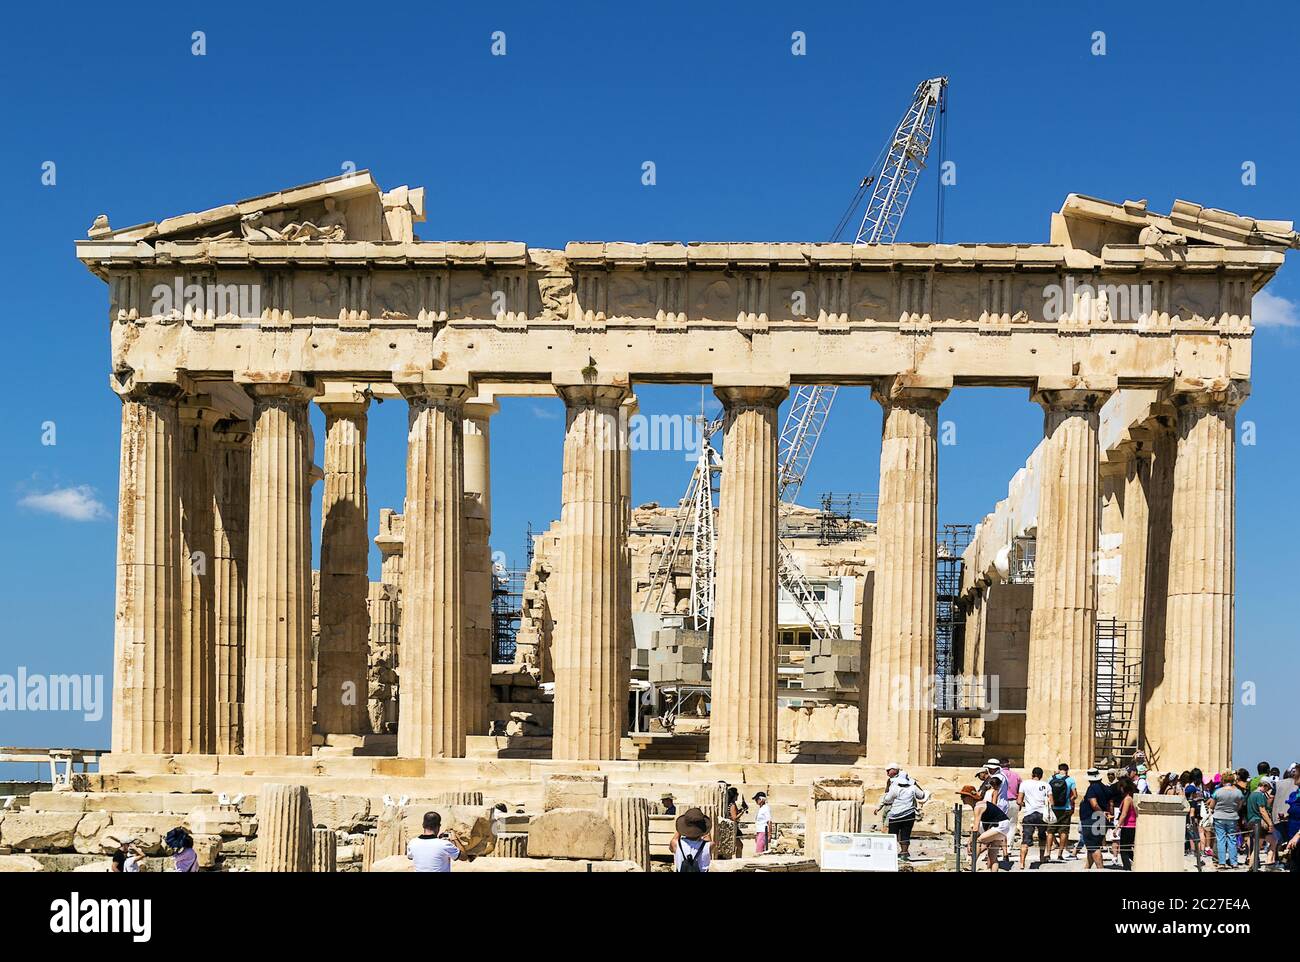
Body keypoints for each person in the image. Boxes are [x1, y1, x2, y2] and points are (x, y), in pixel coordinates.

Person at [959, 784, 1010, 872]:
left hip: (1000, 826)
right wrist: (970, 840)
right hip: (1001, 826)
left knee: (978, 840)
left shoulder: (978, 806)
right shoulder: (978, 805)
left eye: (963, 796)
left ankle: (972, 864)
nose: (961, 798)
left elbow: (976, 827)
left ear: (970, 797)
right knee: (992, 856)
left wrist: (971, 842)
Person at [878, 773, 926, 862]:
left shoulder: (894, 788)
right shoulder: (913, 788)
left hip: (895, 815)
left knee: (893, 834)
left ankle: (891, 854)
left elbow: (887, 799)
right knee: (906, 833)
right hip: (909, 814)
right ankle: (904, 852)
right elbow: (922, 795)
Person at [1017, 766, 1052, 869]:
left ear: (1032, 774)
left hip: (1029, 813)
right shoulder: (1046, 785)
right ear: (1041, 776)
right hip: (1042, 814)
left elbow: (1019, 801)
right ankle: (1041, 857)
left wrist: (1025, 804)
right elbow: (1051, 802)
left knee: (1026, 838)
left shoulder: (1024, 784)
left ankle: (1022, 863)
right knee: (1042, 836)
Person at [1209, 770, 1244, 868]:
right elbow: (1240, 805)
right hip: (1232, 817)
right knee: (1232, 840)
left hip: (1219, 817)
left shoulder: (1218, 792)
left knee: (1221, 840)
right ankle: (1234, 862)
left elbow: (1212, 805)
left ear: (1223, 780)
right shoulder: (1238, 792)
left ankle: (1221, 862)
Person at [1047, 763, 1078, 862]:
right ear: (1067, 770)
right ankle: (1060, 853)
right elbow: (1075, 795)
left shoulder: (1050, 779)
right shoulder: (1070, 780)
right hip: (1065, 808)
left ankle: (1048, 853)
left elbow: (1048, 793)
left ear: (1059, 769)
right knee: (1063, 831)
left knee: (1050, 831)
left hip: (1053, 808)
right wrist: (1069, 800)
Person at [1080, 768, 1110, 870]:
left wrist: (1101, 813)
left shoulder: (1092, 788)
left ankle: (1100, 868)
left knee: (1093, 846)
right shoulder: (1104, 787)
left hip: (1092, 819)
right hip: (1099, 820)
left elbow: (1094, 804)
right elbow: (1110, 802)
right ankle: (1087, 868)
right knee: (1092, 845)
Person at [670, 808, 712, 872]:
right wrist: (705, 831)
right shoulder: (709, 845)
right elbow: (708, 838)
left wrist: (680, 830)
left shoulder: (675, 844)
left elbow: (672, 845)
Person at [1244, 778, 1275, 867]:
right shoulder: (1260, 795)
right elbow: (1262, 811)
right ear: (1264, 785)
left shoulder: (1251, 795)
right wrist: (1270, 823)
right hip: (1258, 823)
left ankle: (1269, 862)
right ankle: (1251, 867)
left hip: (1252, 822)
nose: (1268, 790)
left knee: (1273, 840)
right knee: (1257, 847)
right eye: (1268, 788)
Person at [1117, 776, 1139, 870]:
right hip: (1132, 826)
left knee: (1124, 850)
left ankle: (1127, 868)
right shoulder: (1132, 798)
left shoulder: (1127, 799)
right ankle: (1137, 864)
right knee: (1129, 849)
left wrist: (1117, 826)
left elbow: (1124, 814)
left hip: (1128, 826)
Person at [726, 787, 748, 856]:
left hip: (731, 827)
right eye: (737, 794)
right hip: (733, 828)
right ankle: (739, 859)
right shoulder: (732, 805)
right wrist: (743, 811)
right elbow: (734, 818)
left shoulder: (730, 804)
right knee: (739, 845)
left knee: (738, 845)